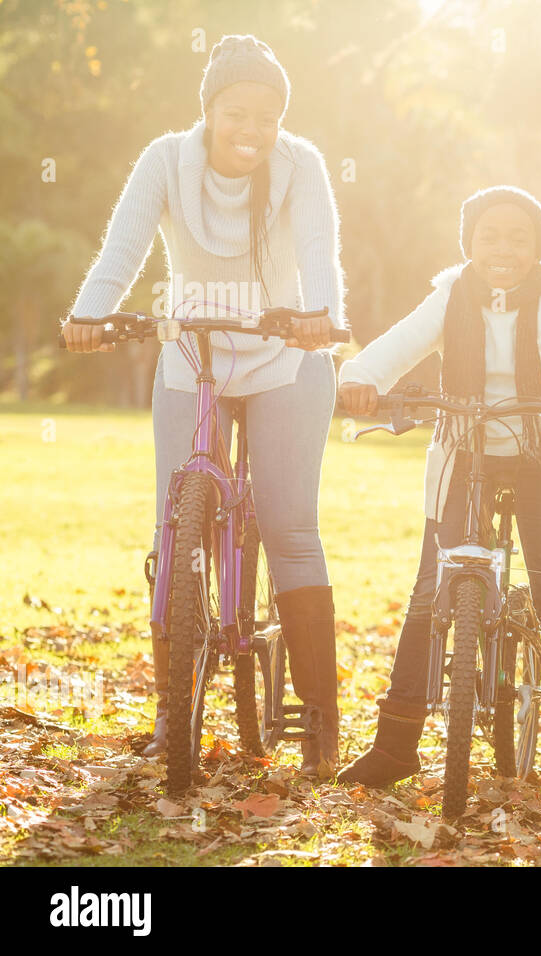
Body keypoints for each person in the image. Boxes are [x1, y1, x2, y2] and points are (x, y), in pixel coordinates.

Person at [63, 35, 346, 776]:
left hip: (284, 352)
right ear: (209, 110)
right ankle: (171, 713)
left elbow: (319, 247)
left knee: (288, 527)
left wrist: (321, 312)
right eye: (237, 113)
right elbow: (123, 250)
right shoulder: (165, 161)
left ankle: (320, 720)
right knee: (174, 517)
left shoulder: (301, 165)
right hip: (195, 350)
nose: (252, 130)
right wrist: (89, 314)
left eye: (268, 116)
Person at [335, 185, 541, 802]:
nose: (504, 248)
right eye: (490, 235)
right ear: (468, 243)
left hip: (539, 456)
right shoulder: (450, 295)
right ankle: (396, 746)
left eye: (520, 237)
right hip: (462, 451)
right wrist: (360, 377)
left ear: (538, 248)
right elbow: (399, 344)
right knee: (426, 592)